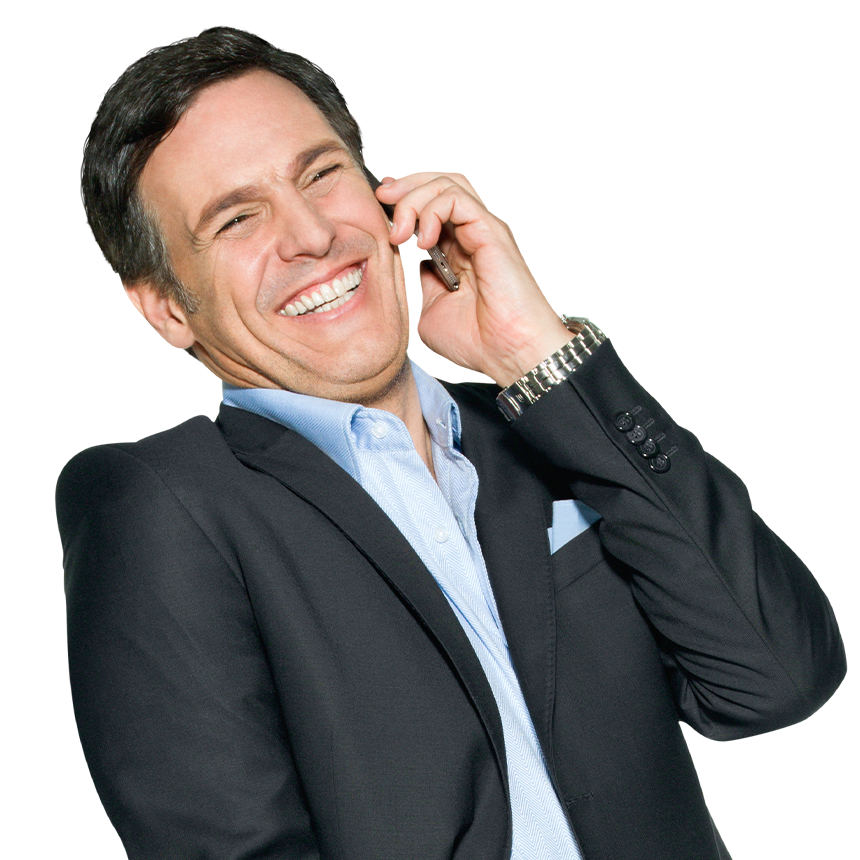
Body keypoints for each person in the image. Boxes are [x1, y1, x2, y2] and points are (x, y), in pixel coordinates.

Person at [56, 25, 846, 860]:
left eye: (321, 174)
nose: (312, 234)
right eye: (238, 218)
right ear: (168, 307)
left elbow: (777, 680)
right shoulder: (163, 504)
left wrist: (535, 357)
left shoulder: (545, 431)